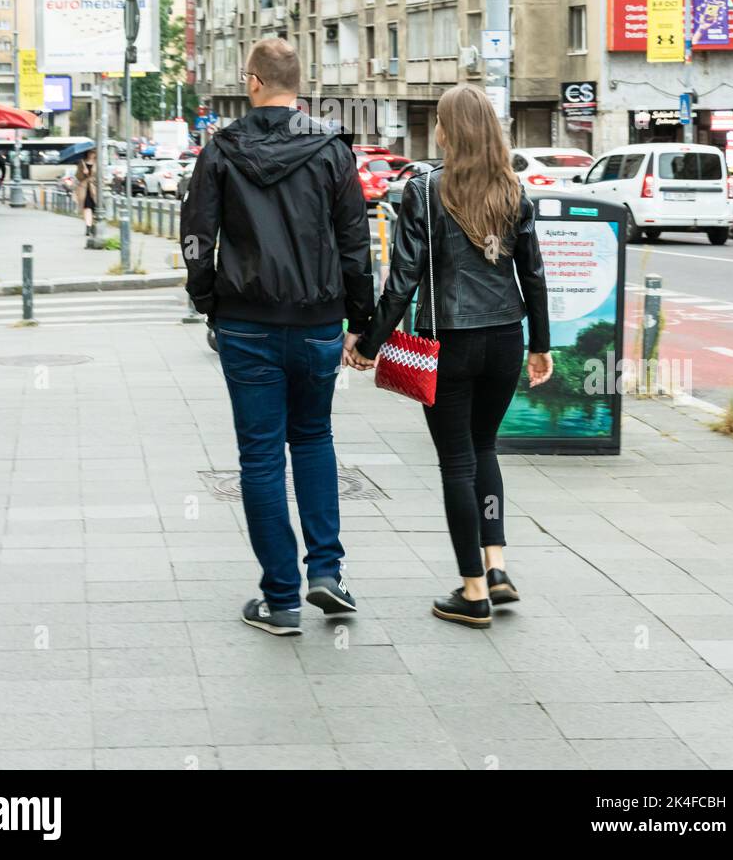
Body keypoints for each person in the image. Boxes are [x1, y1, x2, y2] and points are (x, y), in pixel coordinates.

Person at [181, 38, 373, 636]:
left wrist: (210, 302)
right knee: (314, 438)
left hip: (246, 324)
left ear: (254, 81)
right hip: (317, 324)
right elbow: (354, 242)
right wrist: (360, 321)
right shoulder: (332, 150)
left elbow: (196, 237)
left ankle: (281, 600)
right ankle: (327, 572)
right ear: (300, 82)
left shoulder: (221, 151)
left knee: (260, 457)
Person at [348, 84, 552, 628]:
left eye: (439, 120)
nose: (435, 128)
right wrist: (540, 345)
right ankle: (497, 564)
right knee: (484, 448)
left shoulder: (425, 189)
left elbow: (405, 278)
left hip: (450, 341)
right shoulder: (514, 190)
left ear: (449, 130)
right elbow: (532, 273)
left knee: (456, 462)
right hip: (506, 338)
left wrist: (369, 342)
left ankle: (472, 591)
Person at [74, 150, 97, 244]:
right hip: (84, 187)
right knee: (87, 207)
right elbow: (78, 176)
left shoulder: (98, 163)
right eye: (91, 152)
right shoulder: (82, 163)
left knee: (95, 208)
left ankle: (92, 225)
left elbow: (100, 175)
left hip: (94, 188)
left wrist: (92, 176)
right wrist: (84, 173)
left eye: (94, 153)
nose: (92, 154)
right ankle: (88, 226)